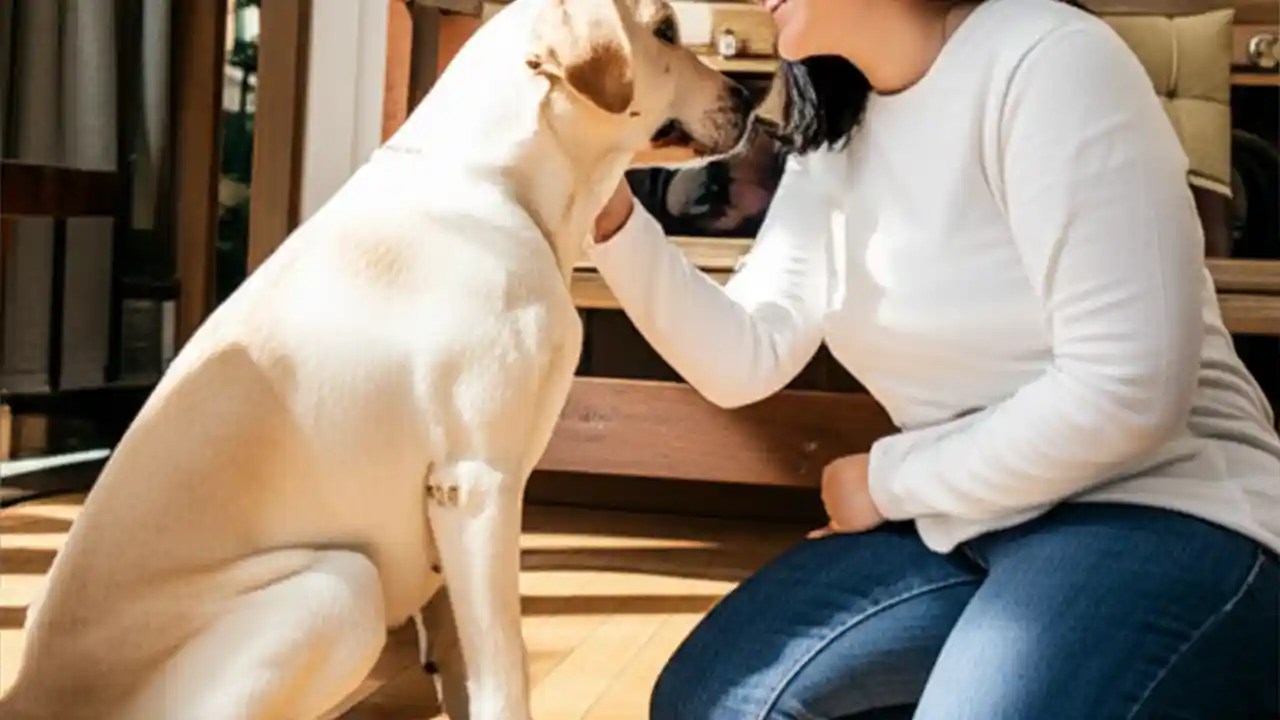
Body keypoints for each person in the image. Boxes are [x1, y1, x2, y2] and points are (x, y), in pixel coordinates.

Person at [588, 0, 1280, 717]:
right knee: (713, 702)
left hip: (1163, 508)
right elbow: (745, 355)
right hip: (968, 517)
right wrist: (606, 214)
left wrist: (887, 483)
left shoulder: (1050, 58)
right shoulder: (835, 134)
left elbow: (1129, 389)